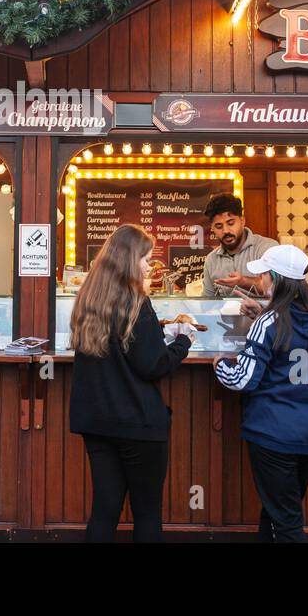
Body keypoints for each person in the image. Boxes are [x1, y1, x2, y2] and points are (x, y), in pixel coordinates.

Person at [69, 223, 193, 542]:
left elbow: (121, 348)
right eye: (146, 259)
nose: (148, 266)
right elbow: (153, 364)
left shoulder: (88, 300)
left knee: (105, 510)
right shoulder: (136, 302)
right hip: (138, 423)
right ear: (130, 260)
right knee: (147, 512)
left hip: (97, 423)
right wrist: (184, 340)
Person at [215, 244, 308, 542]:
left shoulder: (269, 323)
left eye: (264, 275)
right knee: (277, 513)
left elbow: (242, 380)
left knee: (286, 522)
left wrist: (219, 364)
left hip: (272, 434)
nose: (261, 281)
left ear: (275, 278)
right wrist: (264, 313)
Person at [200, 194, 277, 298]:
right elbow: (206, 303)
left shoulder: (267, 248)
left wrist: (244, 282)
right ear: (212, 229)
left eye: (230, 223)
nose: (226, 231)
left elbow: (281, 289)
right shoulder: (211, 260)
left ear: (242, 221)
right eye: (219, 226)